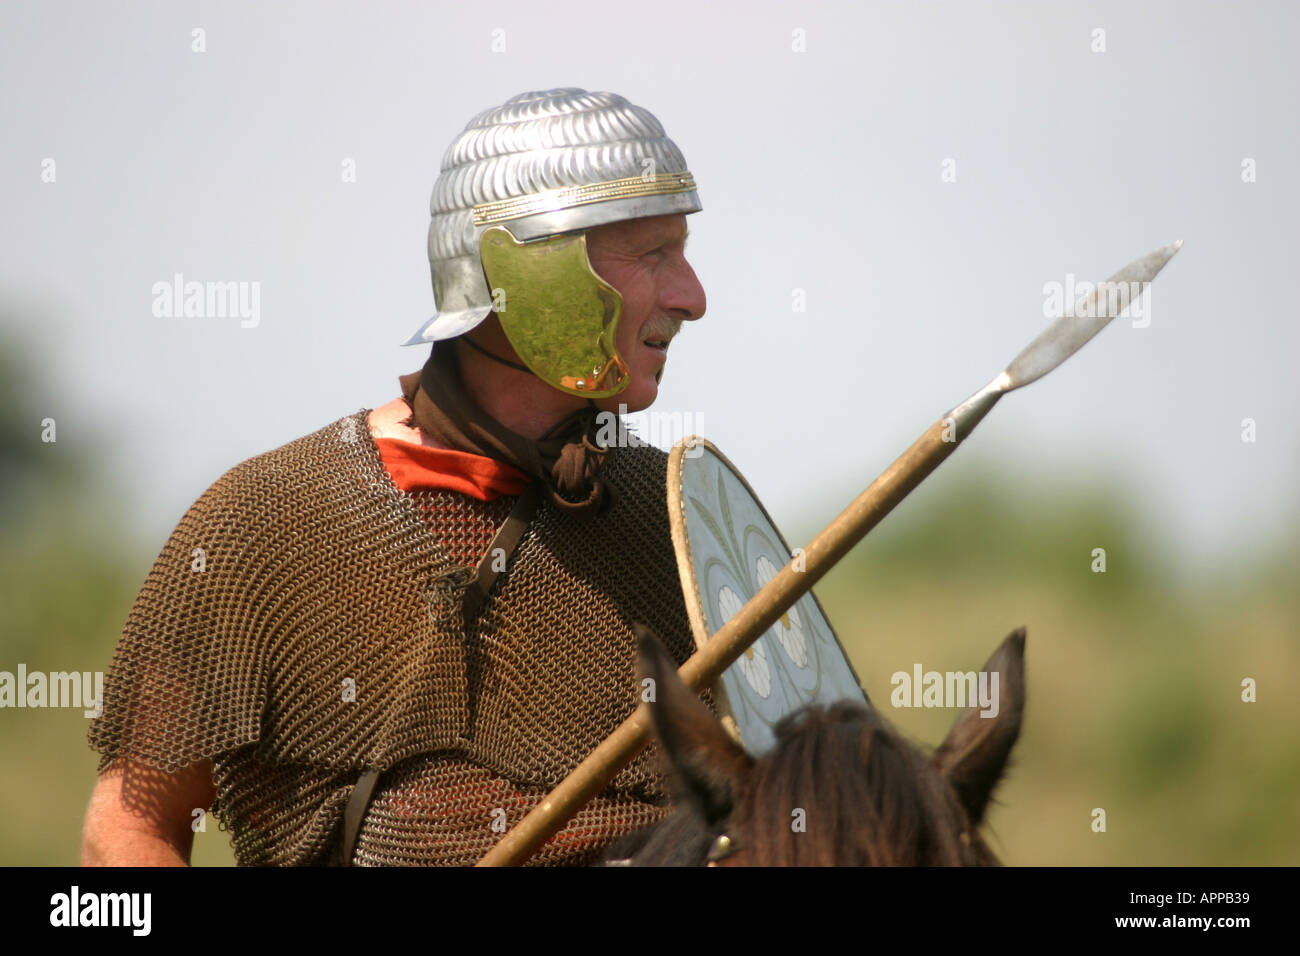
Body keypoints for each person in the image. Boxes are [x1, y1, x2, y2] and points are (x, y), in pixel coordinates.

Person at [82, 88, 708, 866]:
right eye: (653, 255)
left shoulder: (687, 527)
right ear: (534, 269)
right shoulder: (265, 522)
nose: (693, 298)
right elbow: (129, 829)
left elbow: (806, 805)